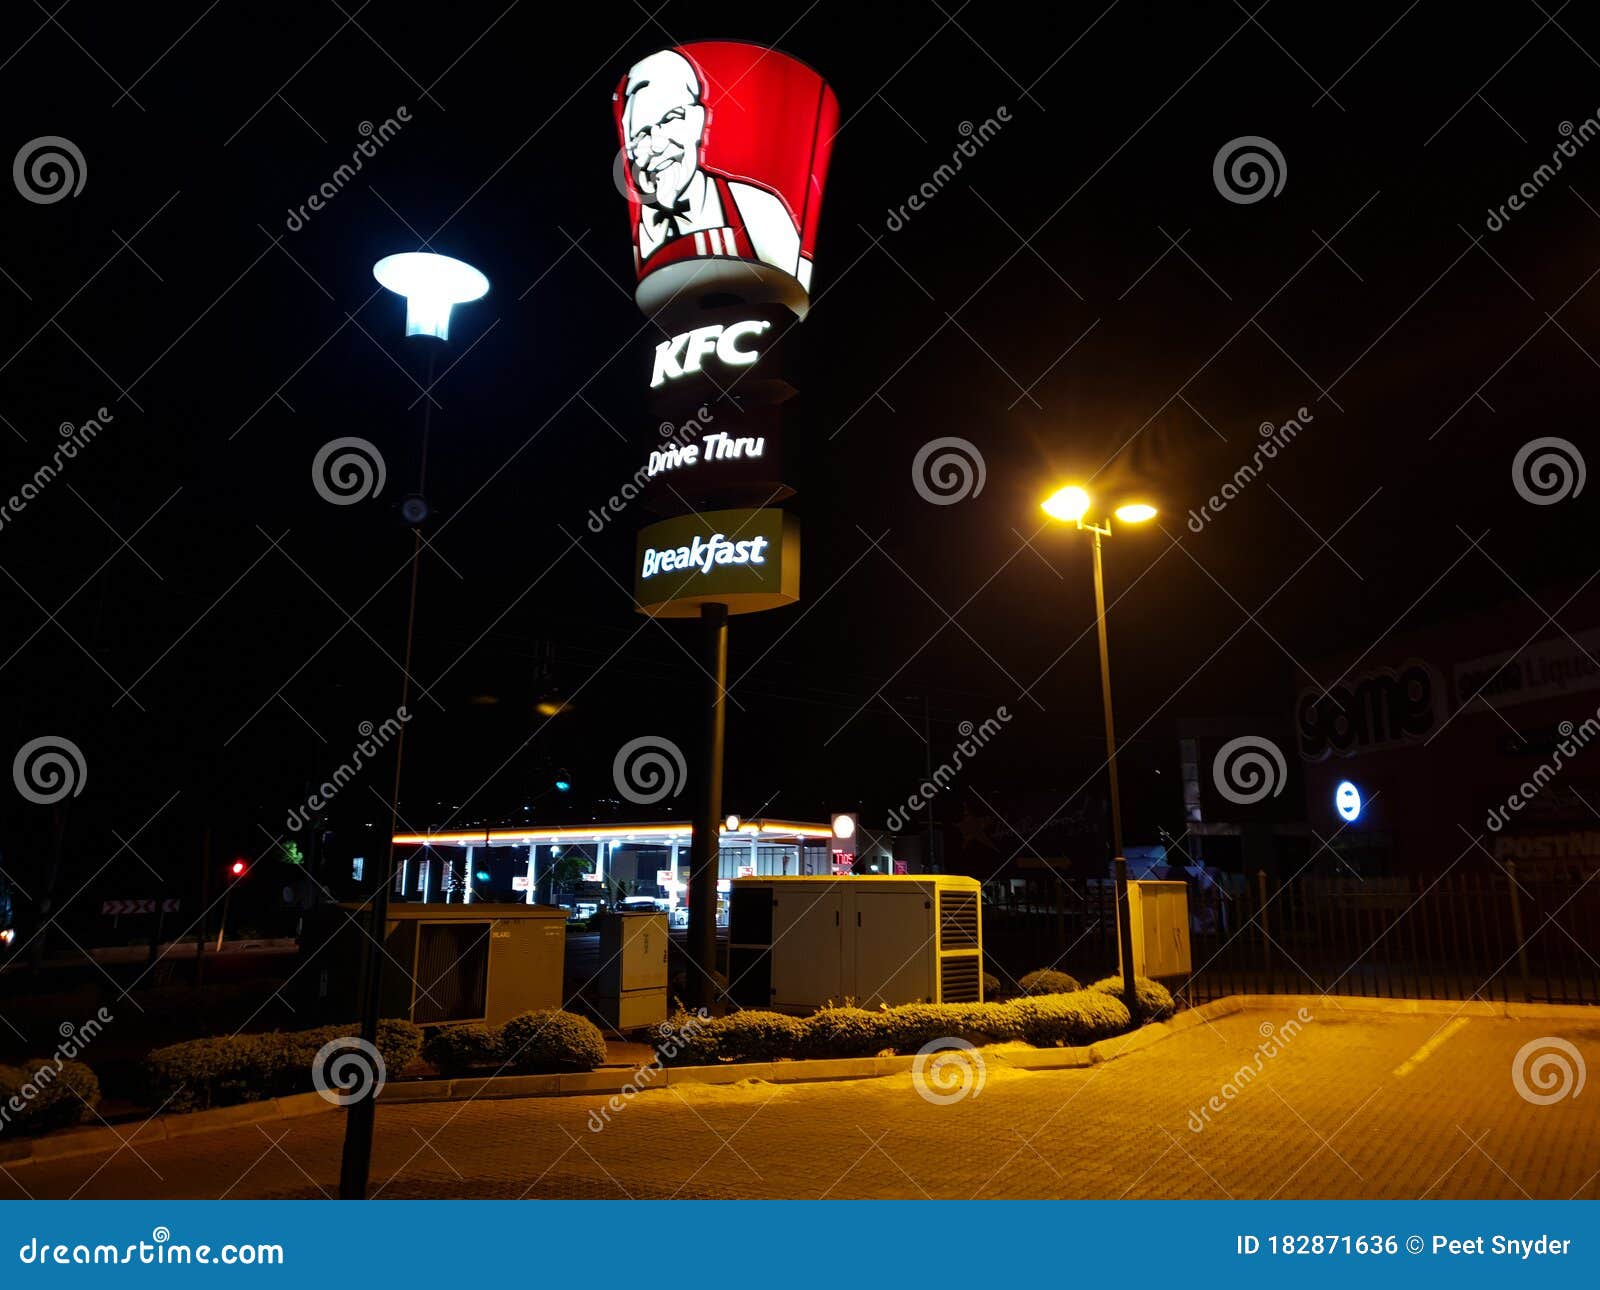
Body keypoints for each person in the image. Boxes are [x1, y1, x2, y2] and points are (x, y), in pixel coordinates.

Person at [620, 48, 811, 292]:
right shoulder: (632, 246)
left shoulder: (759, 211)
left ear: (697, 121)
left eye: (670, 119)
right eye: (642, 134)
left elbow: (798, 298)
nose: (658, 143)